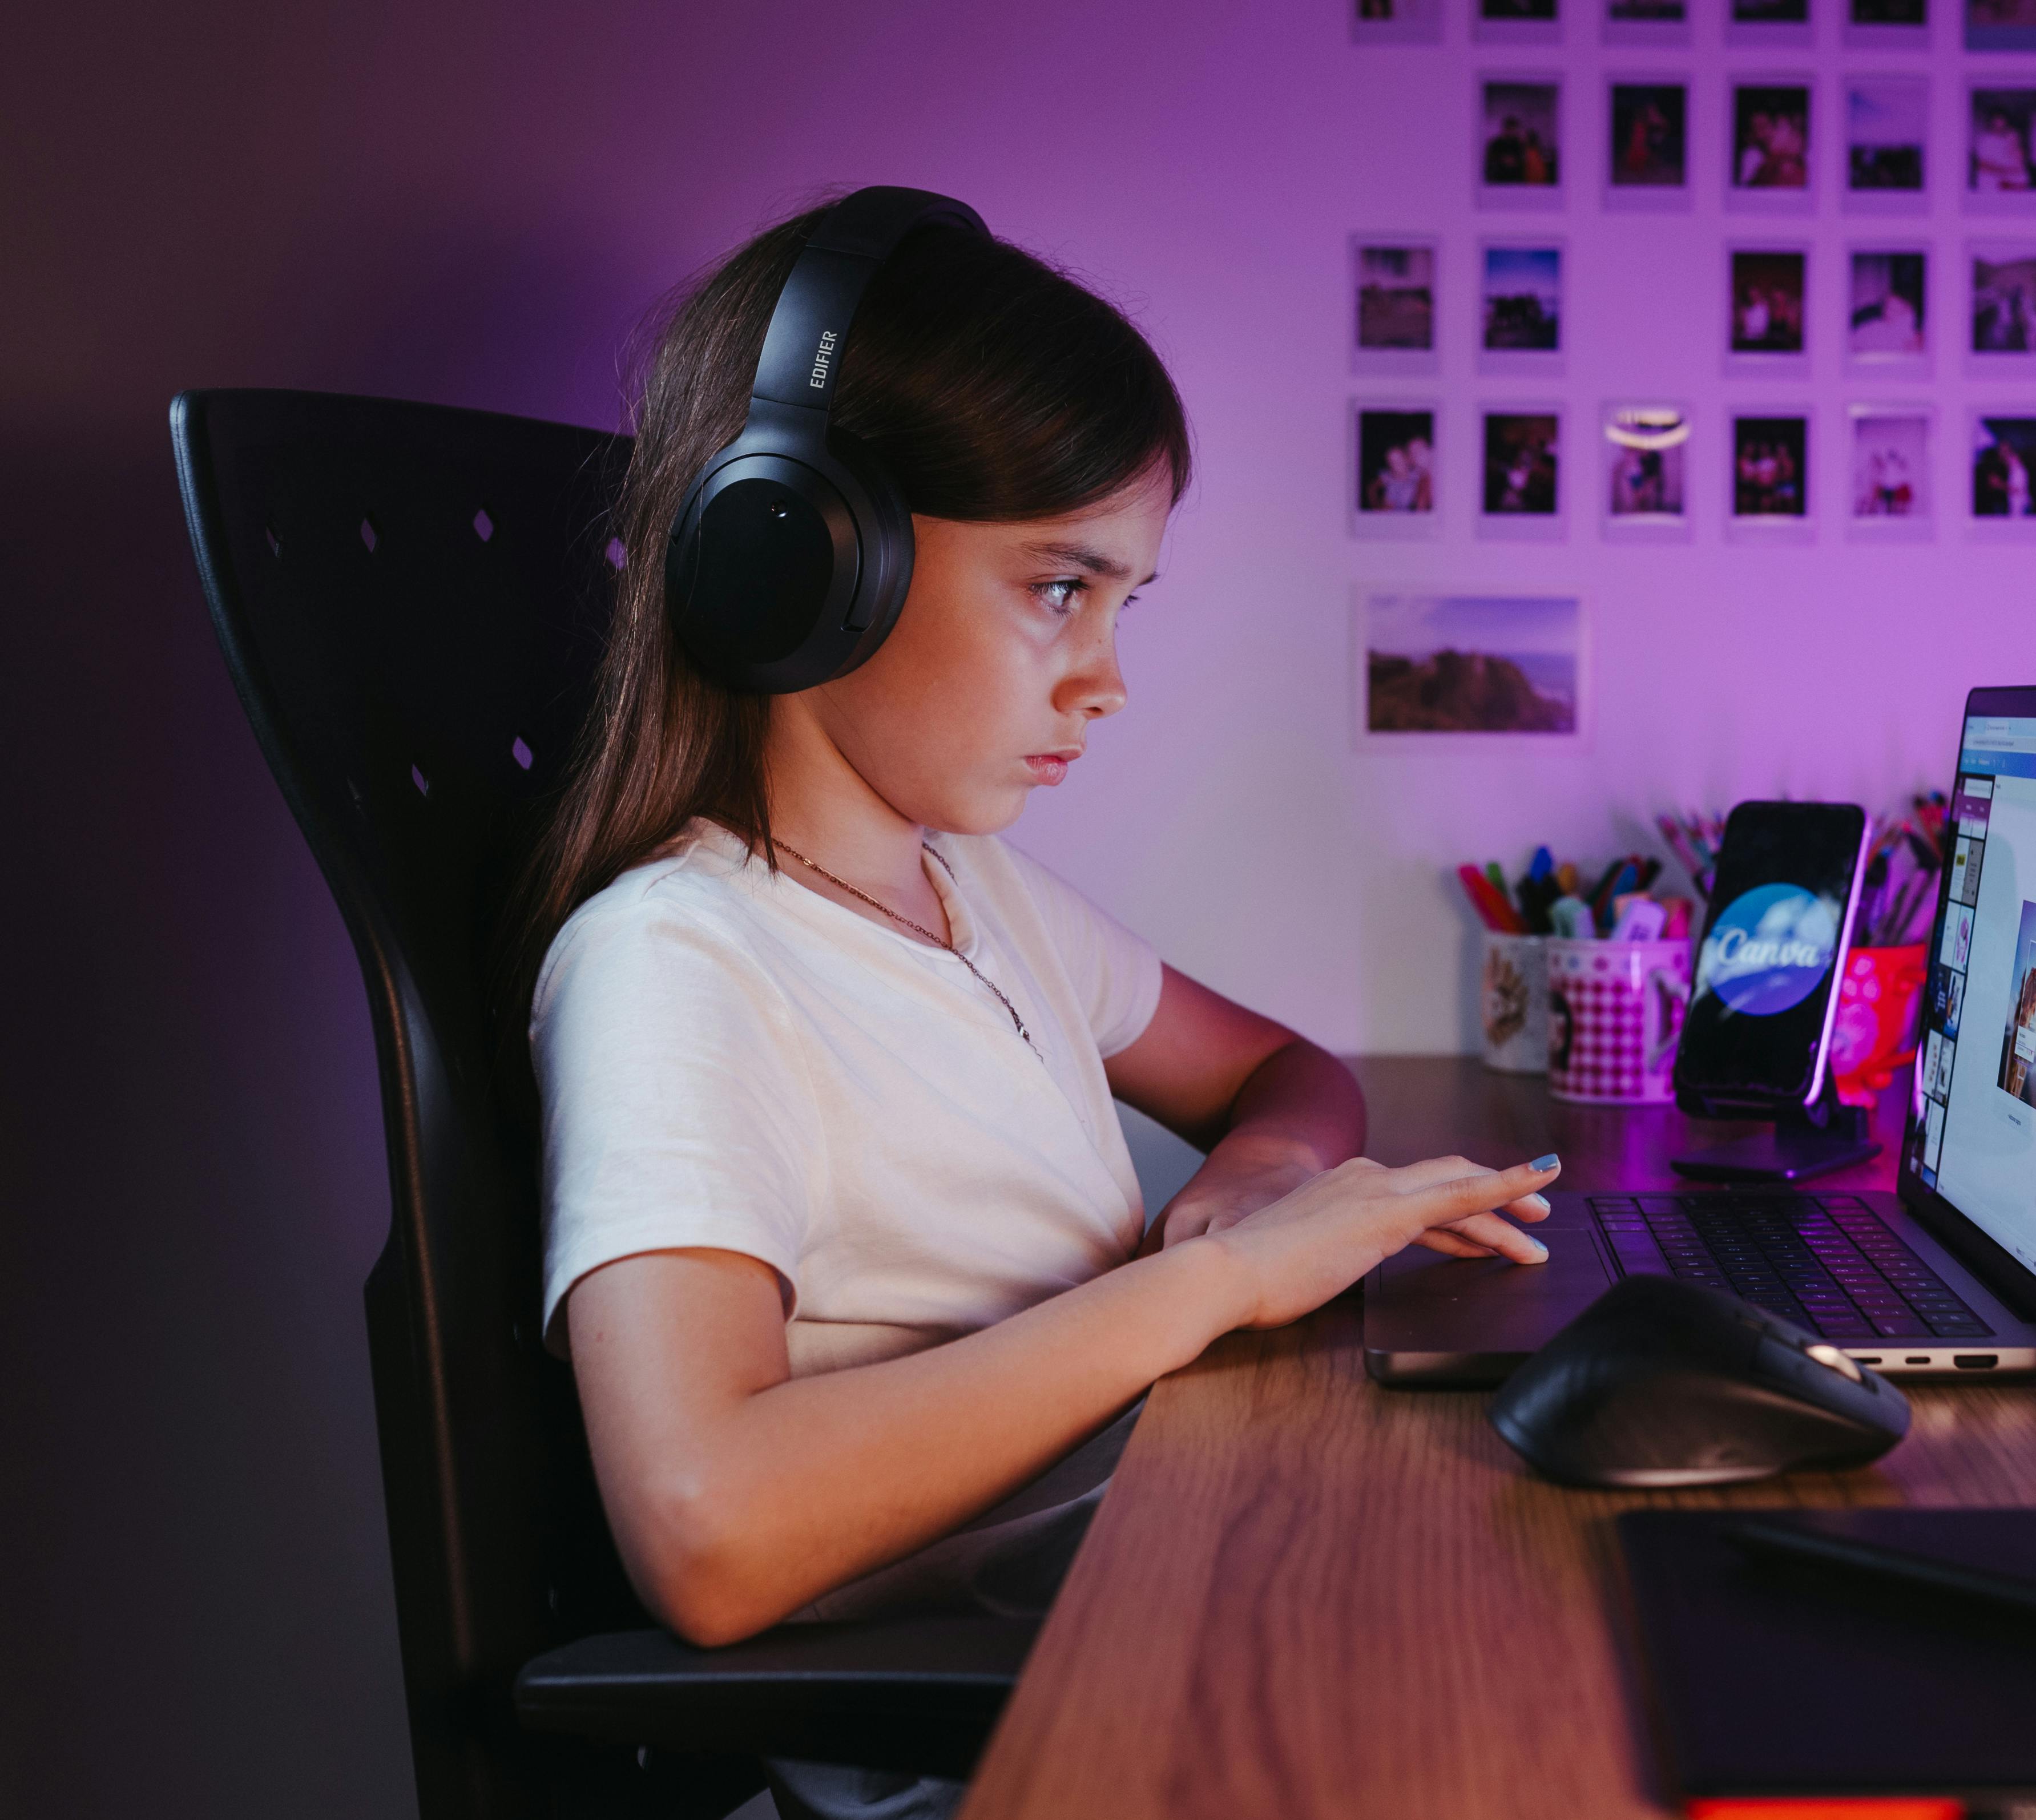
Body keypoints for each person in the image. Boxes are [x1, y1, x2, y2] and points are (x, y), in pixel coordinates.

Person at [512, 198, 1559, 1819]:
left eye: (1125, 602)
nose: (1108, 678)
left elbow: (1286, 1072)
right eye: (1061, 588)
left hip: (1165, 1583)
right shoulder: (680, 964)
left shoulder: (977, 894)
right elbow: (708, 1532)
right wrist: (1216, 1290)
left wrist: (1256, 1188)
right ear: (805, 555)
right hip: (1028, 1735)